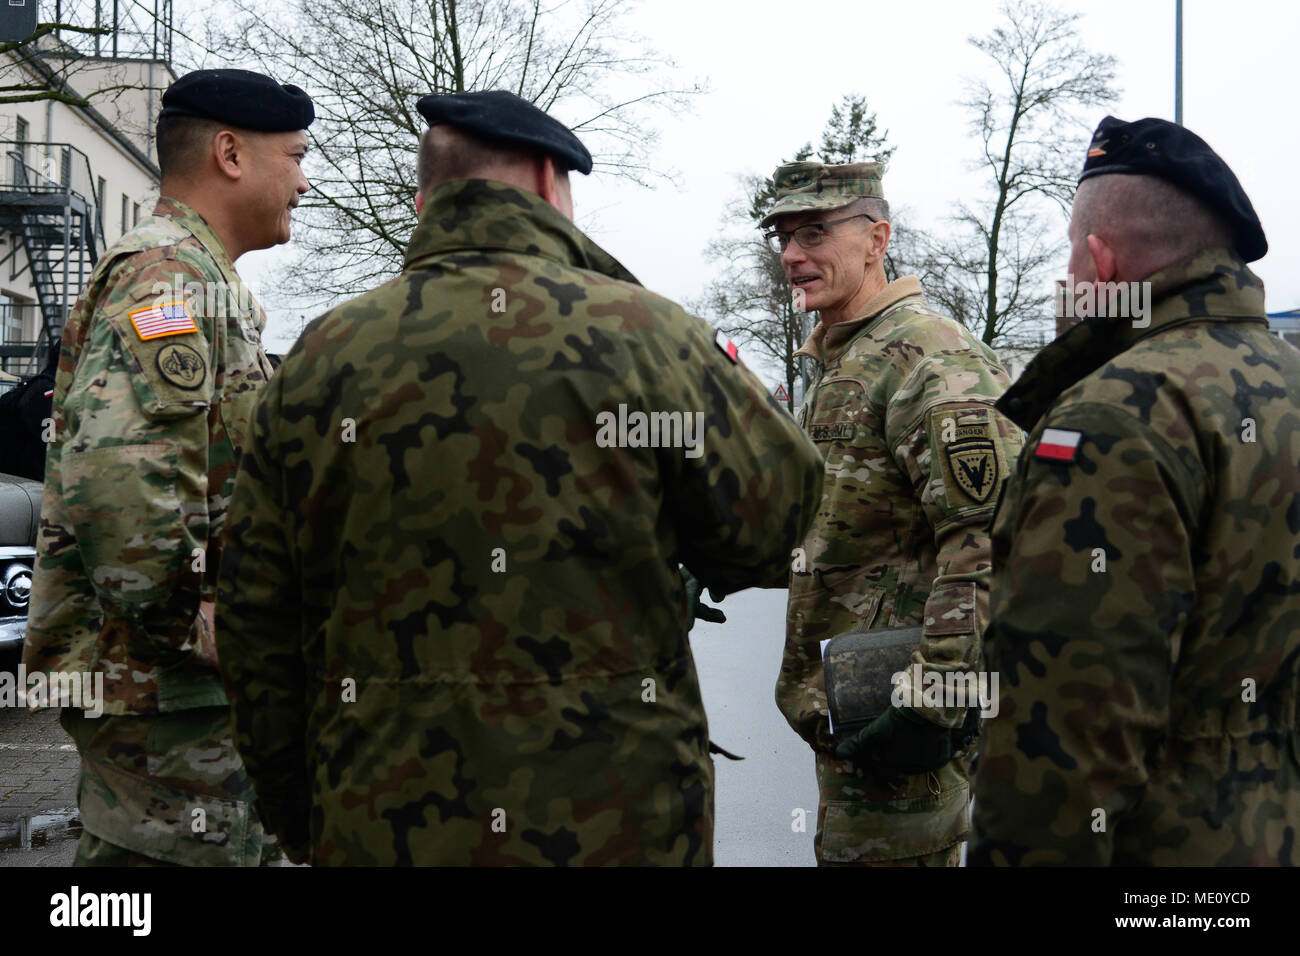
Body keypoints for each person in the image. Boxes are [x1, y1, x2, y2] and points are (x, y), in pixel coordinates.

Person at [215, 89, 825, 866]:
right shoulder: (650, 336)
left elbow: (254, 619)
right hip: (618, 822)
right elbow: (776, 530)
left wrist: (298, 810)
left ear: (422, 199)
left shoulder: (318, 358)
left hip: (380, 817)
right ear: (548, 179)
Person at [971, 116, 1300, 866]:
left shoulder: (1113, 416)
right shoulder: (1288, 384)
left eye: (1067, 256)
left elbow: (1062, 744)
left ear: (1100, 260)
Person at [22, 68, 314, 866]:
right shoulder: (169, 275)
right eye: (294, 156)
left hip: (171, 690)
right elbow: (121, 477)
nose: (304, 180)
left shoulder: (199, 278)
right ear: (230, 153)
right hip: (162, 691)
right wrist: (191, 623)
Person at [761, 160, 1024, 866]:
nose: (792, 254)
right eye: (783, 236)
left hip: (903, 722)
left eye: (815, 232)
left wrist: (931, 704)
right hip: (855, 711)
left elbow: (991, 540)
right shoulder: (845, 360)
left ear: (877, 238)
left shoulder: (928, 357)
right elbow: (842, 527)